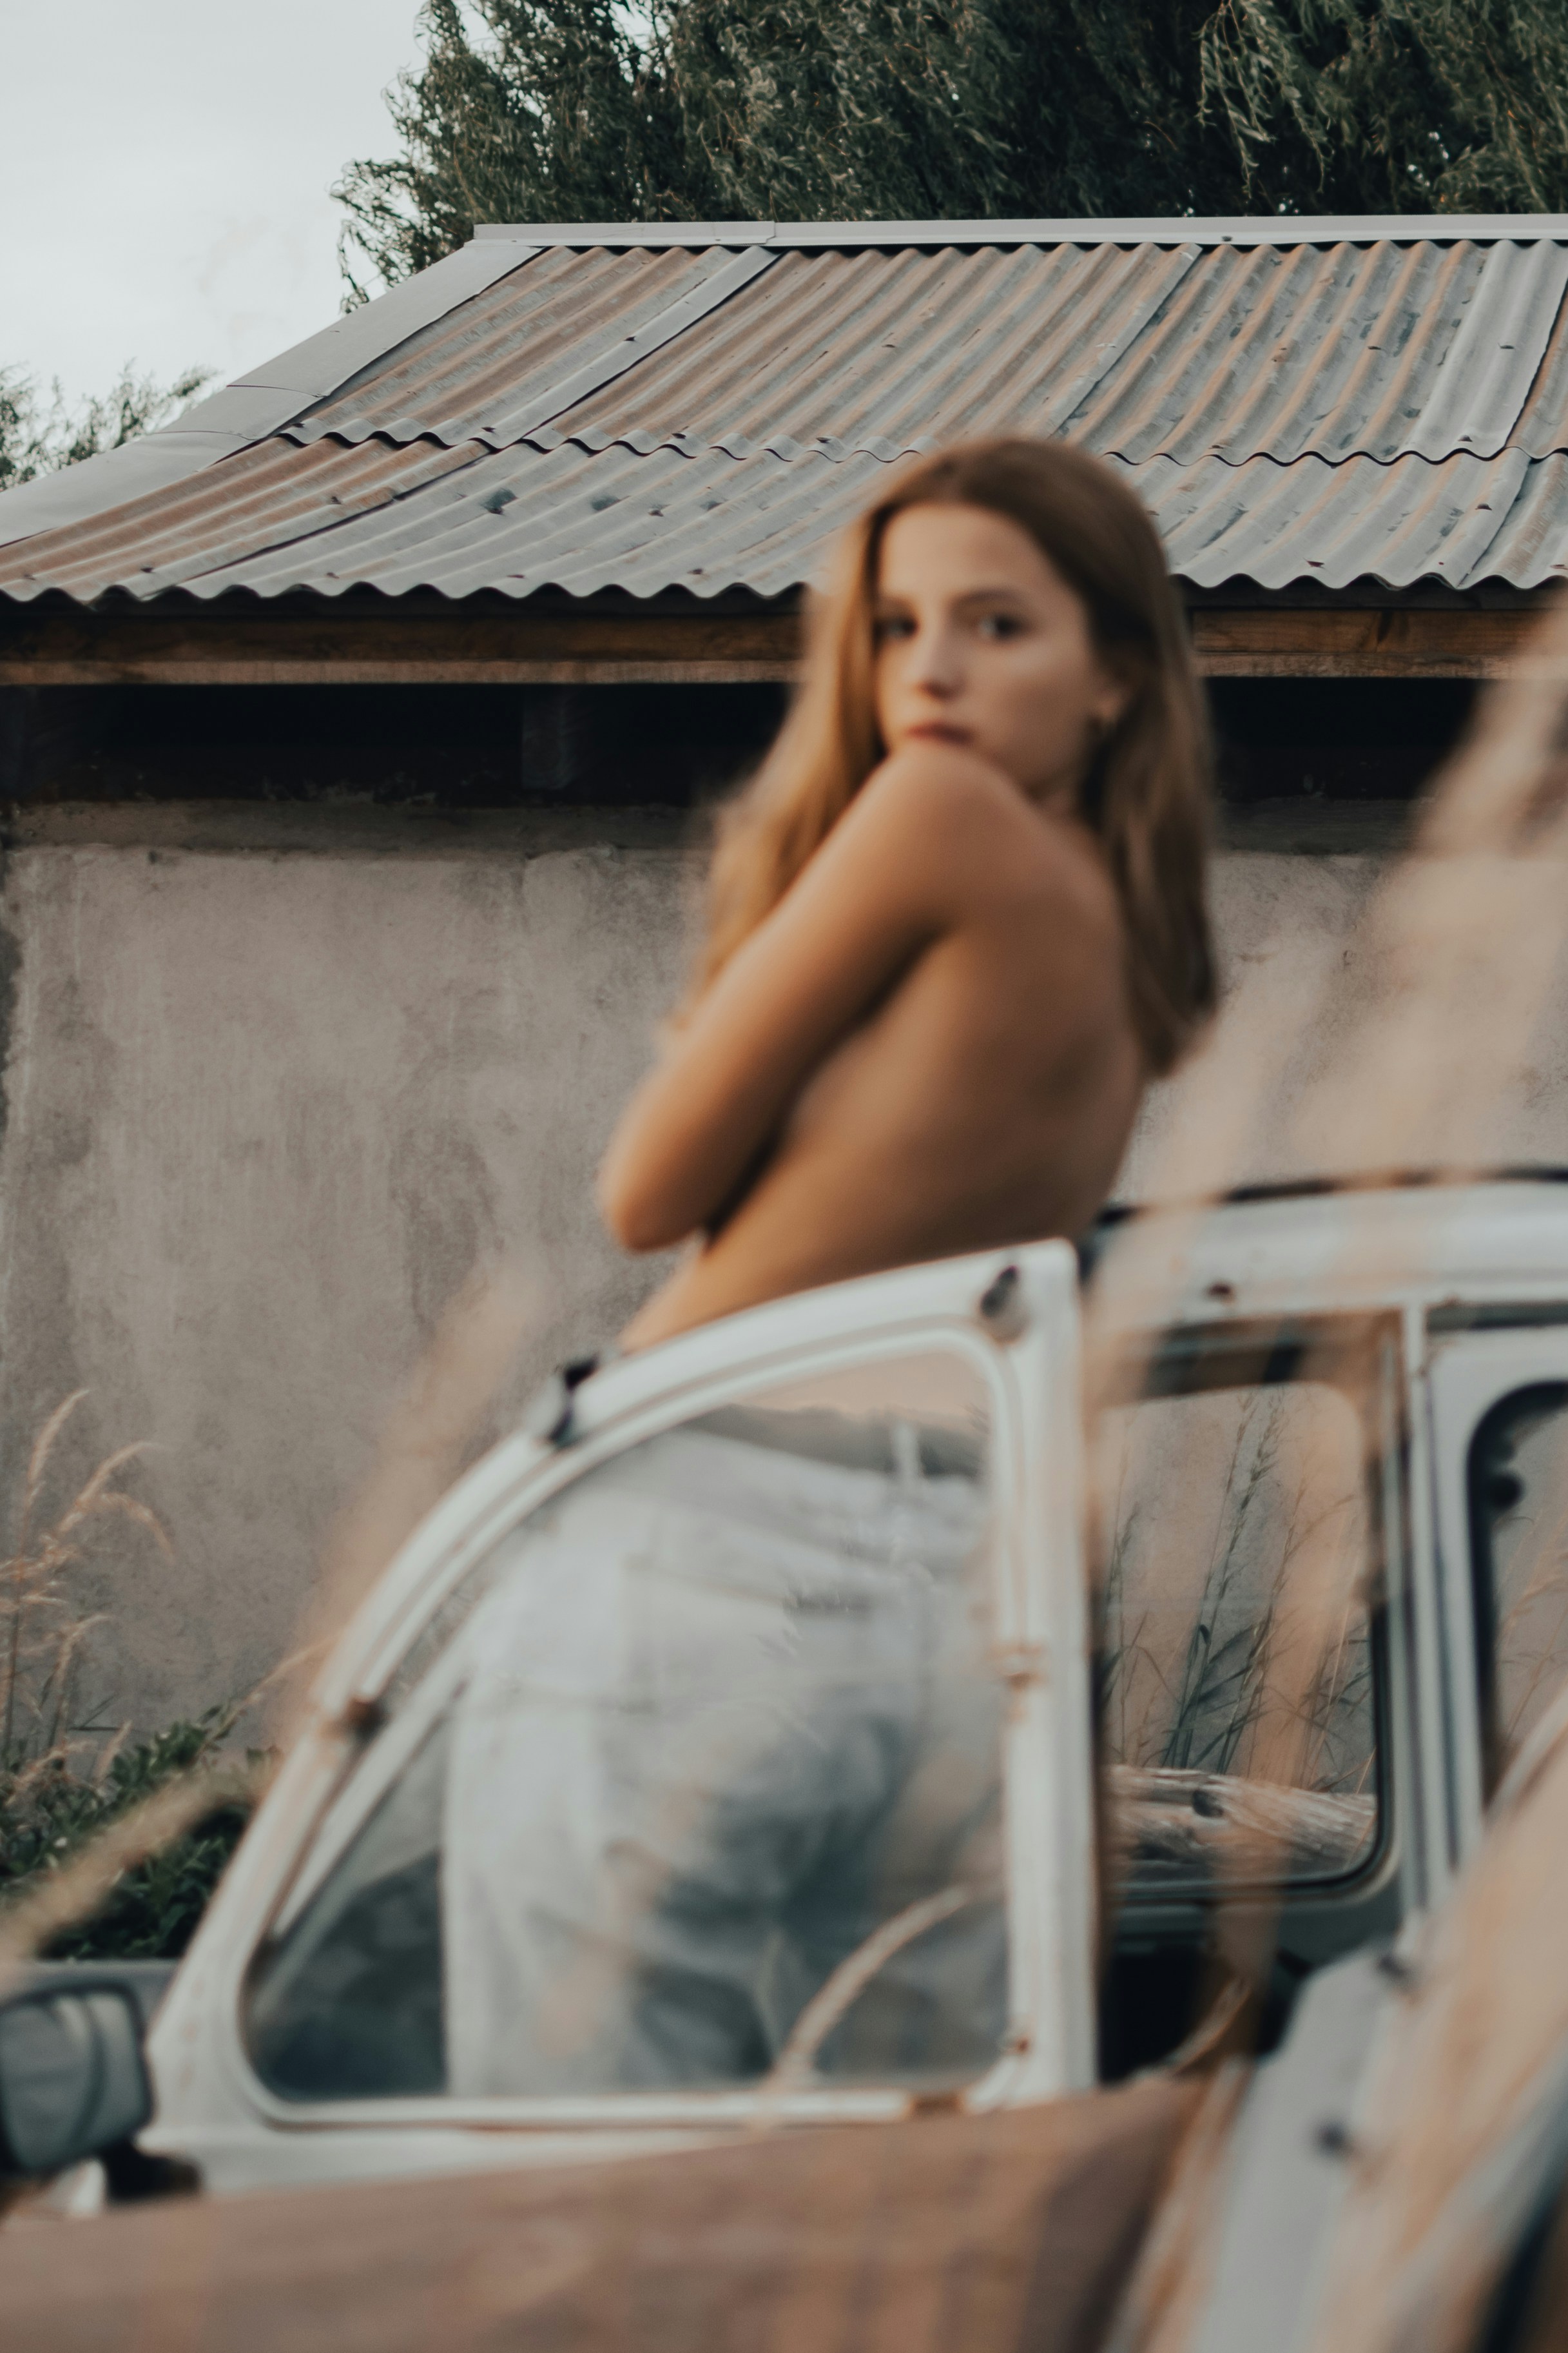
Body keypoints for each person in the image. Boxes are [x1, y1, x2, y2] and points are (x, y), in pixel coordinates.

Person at [598, 437, 1215, 1352]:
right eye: (894, 625)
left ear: (1113, 678)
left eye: (995, 625)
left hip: (711, 1456)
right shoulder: (1129, 938)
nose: (929, 672)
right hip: (929, 1468)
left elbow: (644, 1197)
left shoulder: (944, 810)